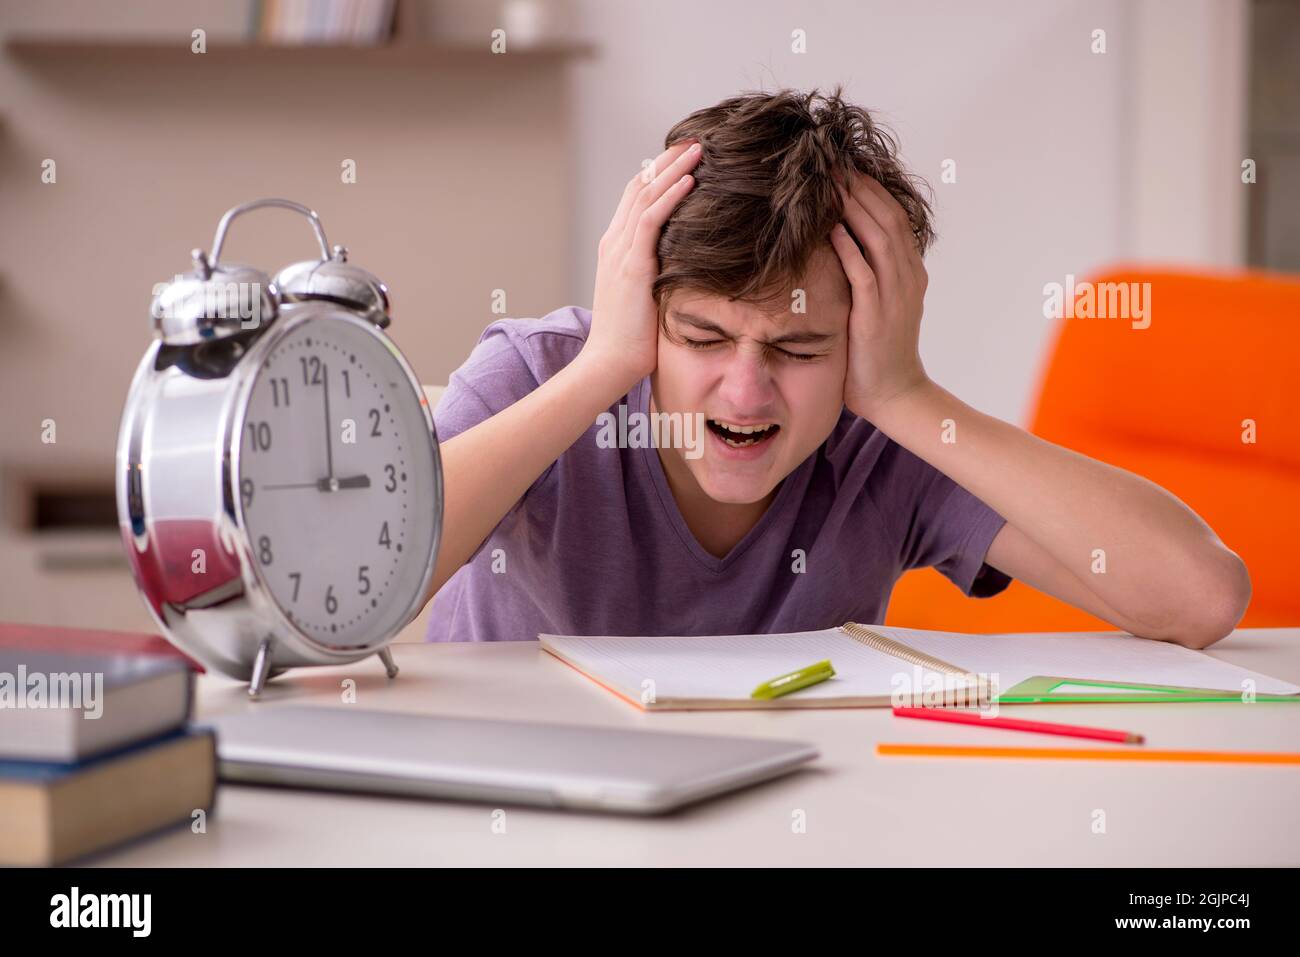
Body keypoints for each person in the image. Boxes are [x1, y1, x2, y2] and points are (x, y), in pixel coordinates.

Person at [422, 88, 1250, 648]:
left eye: (798, 347)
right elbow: (353, 586)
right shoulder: (540, 377)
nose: (745, 392)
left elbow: (1200, 598)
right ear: (645, 310)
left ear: (859, 338)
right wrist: (604, 365)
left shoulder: (885, 437)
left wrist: (906, 394)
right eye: (704, 338)